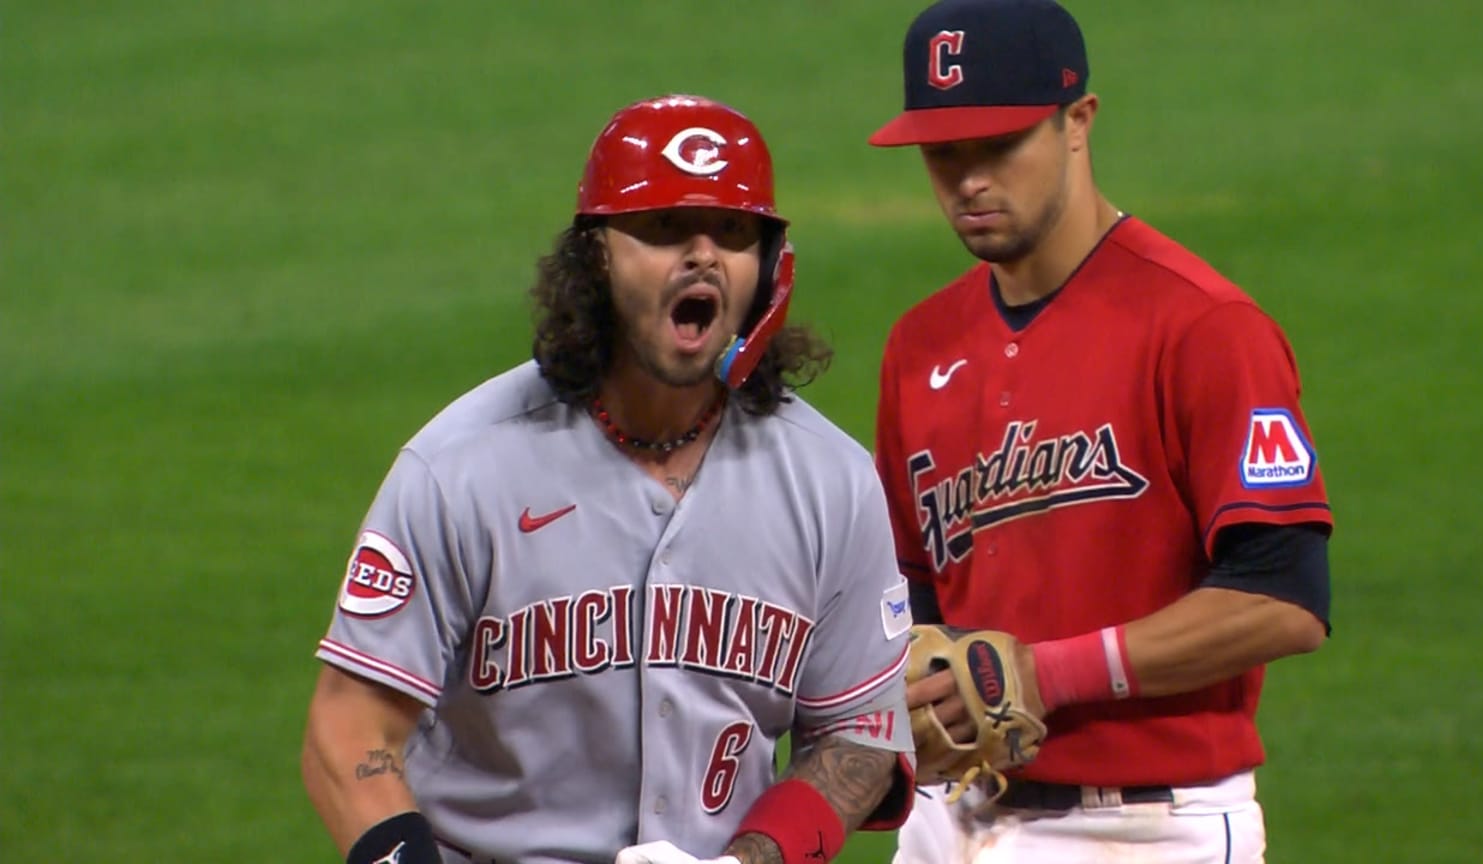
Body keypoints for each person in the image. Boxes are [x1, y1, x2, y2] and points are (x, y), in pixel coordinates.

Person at [300, 94, 917, 864]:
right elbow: (348, 731)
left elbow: (860, 738)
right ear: (593, 257)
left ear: (768, 268)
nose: (702, 256)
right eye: (662, 229)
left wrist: (746, 863)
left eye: (733, 232)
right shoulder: (461, 468)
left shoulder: (831, 482)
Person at [865, 1, 1334, 861]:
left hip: (1144, 827)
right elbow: (915, 590)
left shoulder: (1203, 327)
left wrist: (1046, 674)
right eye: (944, 153)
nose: (969, 180)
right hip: (950, 819)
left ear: (1078, 121)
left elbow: (1285, 599)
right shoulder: (919, 346)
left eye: (999, 145)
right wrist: (922, 693)